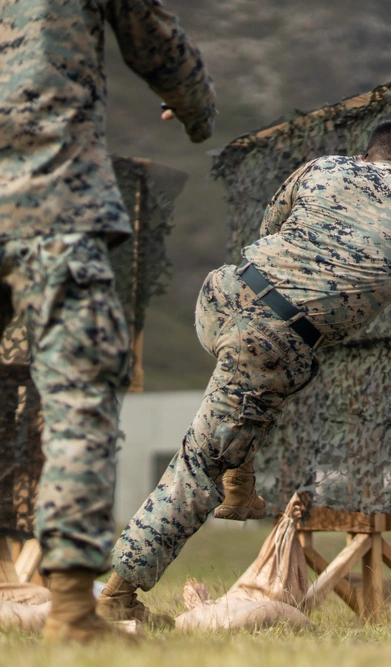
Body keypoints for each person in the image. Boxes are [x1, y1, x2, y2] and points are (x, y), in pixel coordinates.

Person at [97, 119, 391, 621]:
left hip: (223, 296)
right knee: (200, 461)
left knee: (249, 398)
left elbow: (273, 226)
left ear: (367, 155)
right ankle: (117, 597)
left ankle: (241, 480)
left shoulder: (324, 168)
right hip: (271, 343)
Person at [0, 0, 216, 641]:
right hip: (52, 203)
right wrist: (198, 108)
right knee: (77, 397)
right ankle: (69, 610)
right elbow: (153, 41)